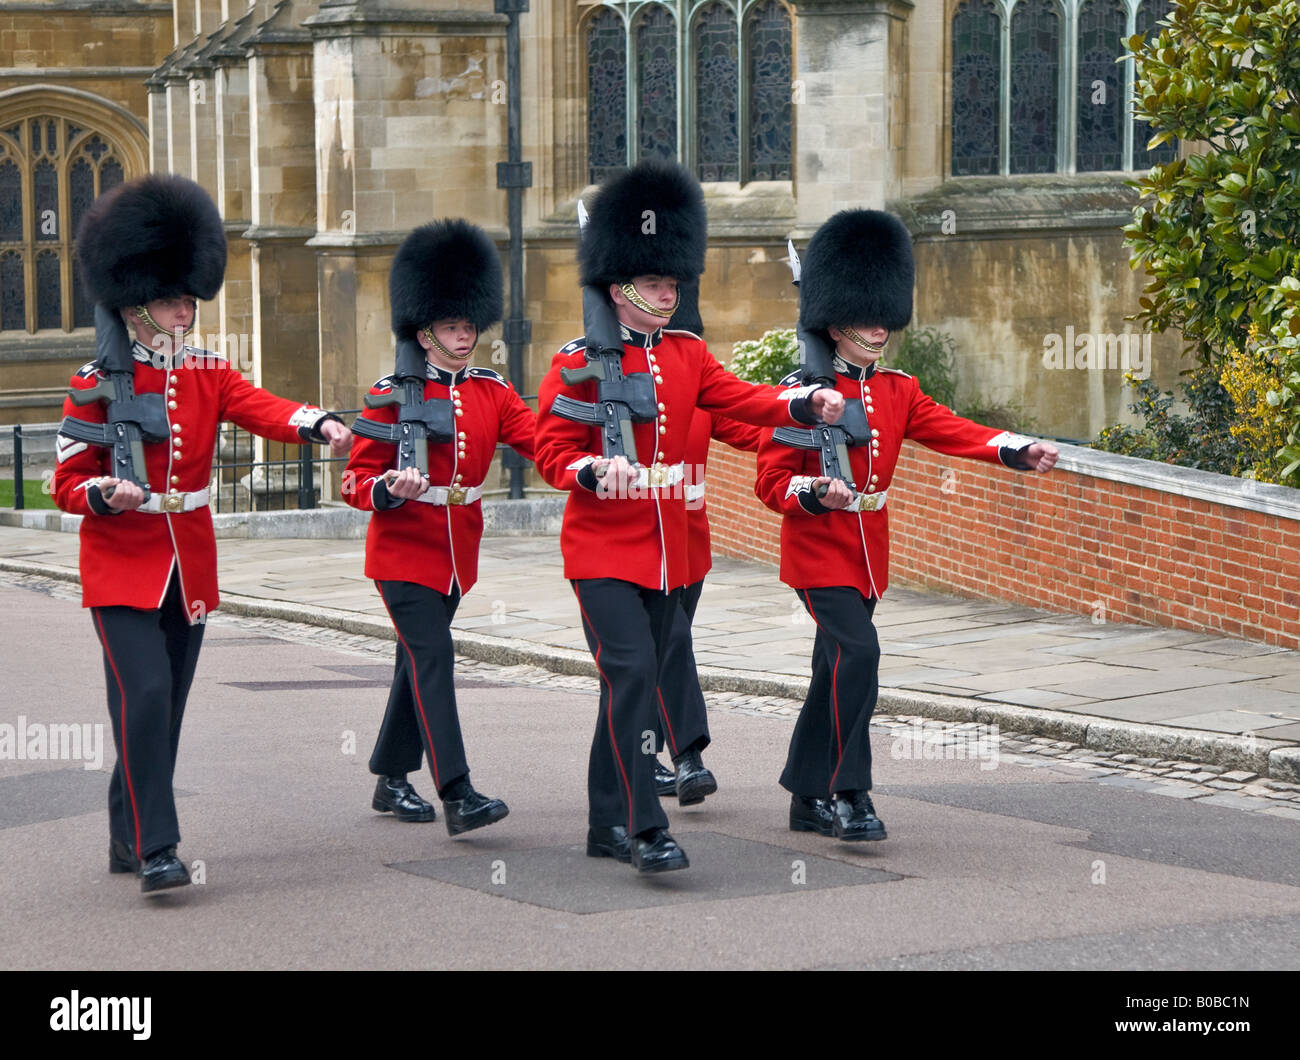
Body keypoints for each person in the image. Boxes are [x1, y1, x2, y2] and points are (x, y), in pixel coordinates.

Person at [534, 160, 845, 873]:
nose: (669, 292)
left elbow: (740, 401)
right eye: (655, 283)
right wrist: (589, 469)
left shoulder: (688, 353)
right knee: (636, 676)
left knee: (627, 686)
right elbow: (550, 449)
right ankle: (647, 828)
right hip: (604, 553)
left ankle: (604, 824)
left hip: (674, 552)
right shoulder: (578, 363)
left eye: (674, 283)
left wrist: (804, 402)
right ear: (619, 288)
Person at [53, 174, 352, 895]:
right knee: (146, 695)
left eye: (188, 300)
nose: (185, 311)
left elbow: (264, 408)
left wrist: (319, 423)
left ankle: (127, 835)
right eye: (172, 300)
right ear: (135, 306)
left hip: (186, 566)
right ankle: (159, 847)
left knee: (162, 706)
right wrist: (104, 492)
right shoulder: (93, 383)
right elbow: (65, 483)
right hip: (121, 566)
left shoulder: (208, 375)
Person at [755, 208, 1059, 842]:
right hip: (818, 550)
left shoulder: (895, 389)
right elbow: (771, 482)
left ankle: (804, 795)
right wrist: (817, 492)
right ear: (834, 323)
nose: (877, 326)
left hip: (869, 550)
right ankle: (849, 794)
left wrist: (1013, 448)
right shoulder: (801, 392)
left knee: (833, 669)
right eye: (865, 317)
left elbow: (952, 430)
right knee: (860, 656)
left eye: (881, 315)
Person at [344, 219, 536, 838]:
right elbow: (353, 481)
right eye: (453, 326)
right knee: (434, 658)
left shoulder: (492, 391)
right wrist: (384, 491)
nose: (466, 336)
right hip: (401, 553)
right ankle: (458, 790)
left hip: (458, 552)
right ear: (424, 332)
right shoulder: (388, 395)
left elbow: (540, 441)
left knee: (414, 662)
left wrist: (586, 463)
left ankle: (390, 776)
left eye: (469, 325)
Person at [649, 282, 763, 802]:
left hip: (691, 543)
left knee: (662, 651)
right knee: (672, 643)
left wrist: (811, 421)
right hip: (646, 541)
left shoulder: (701, 397)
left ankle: (640, 752)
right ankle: (688, 755)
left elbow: (755, 429)